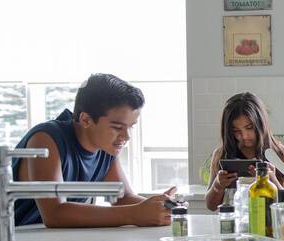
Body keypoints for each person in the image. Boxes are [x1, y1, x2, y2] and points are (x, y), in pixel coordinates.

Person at [12, 72, 175, 228]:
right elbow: (55, 214)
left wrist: (161, 206)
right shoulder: (45, 139)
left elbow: (123, 198)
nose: (126, 136)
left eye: (130, 127)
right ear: (86, 120)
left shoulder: (105, 147)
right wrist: (134, 214)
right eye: (117, 127)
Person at [204, 92, 284, 211]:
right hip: (235, 225)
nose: (244, 136)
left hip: (269, 227)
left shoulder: (281, 154)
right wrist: (218, 185)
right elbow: (211, 206)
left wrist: (272, 180)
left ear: (261, 124)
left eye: (249, 128)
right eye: (236, 131)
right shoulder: (221, 154)